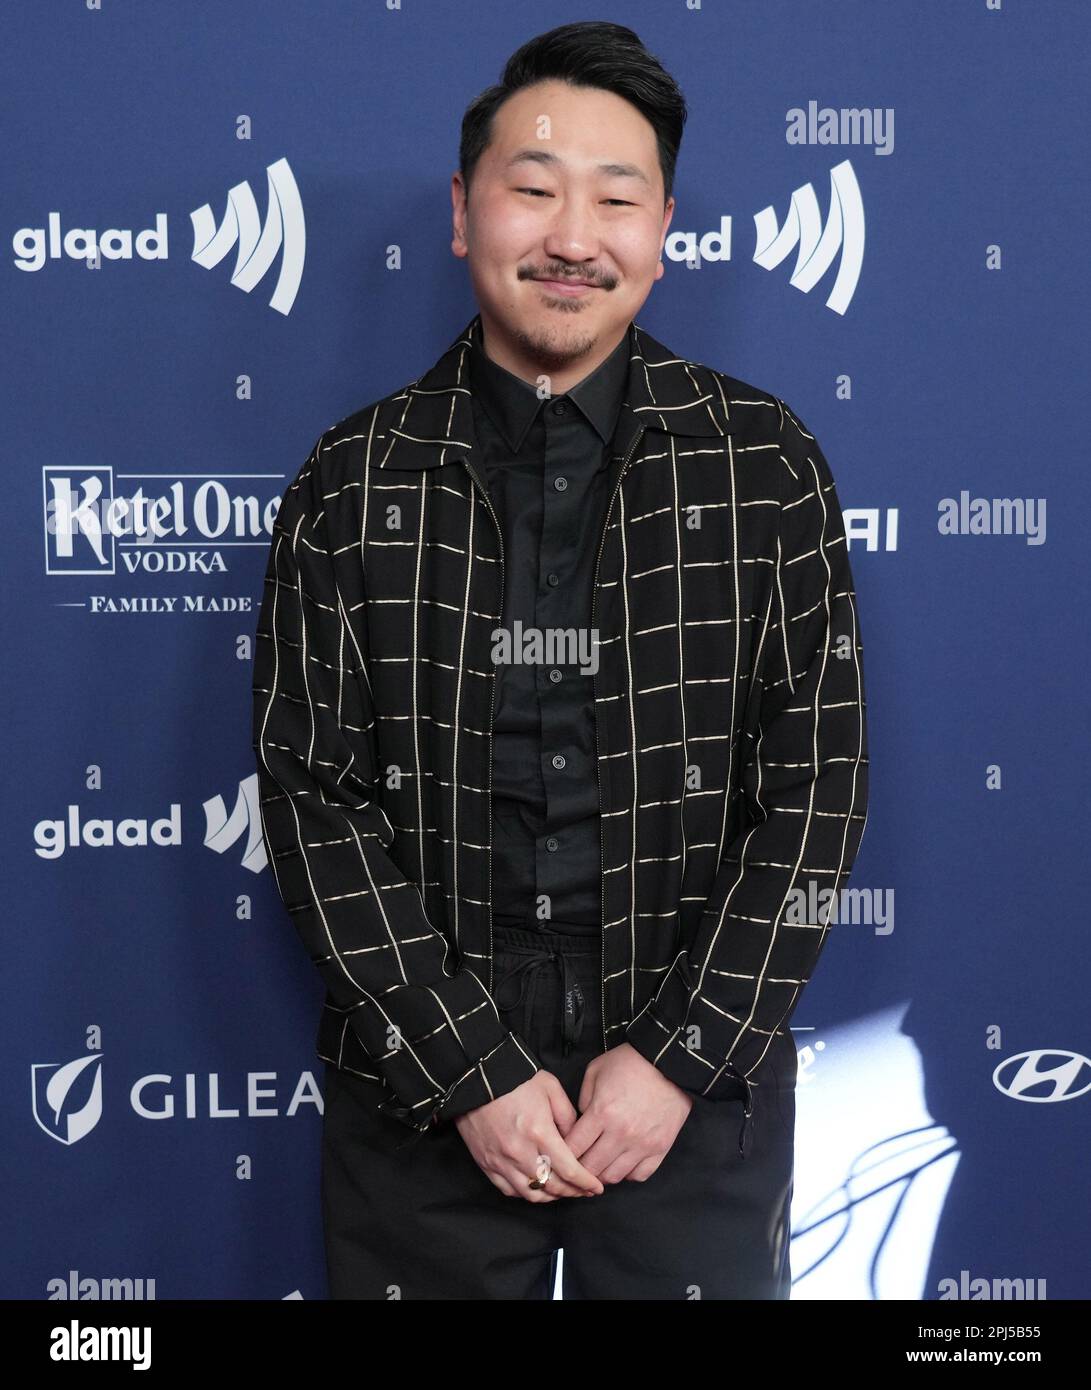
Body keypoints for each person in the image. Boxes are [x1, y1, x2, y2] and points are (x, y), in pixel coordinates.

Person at [252, 19, 869, 1300]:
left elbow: (816, 794)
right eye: (532, 190)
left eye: (614, 198)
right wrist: (463, 1061)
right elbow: (313, 797)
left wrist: (682, 1056)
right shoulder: (350, 478)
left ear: (663, 231)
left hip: (688, 1050)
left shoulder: (761, 465)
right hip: (420, 1062)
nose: (572, 237)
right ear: (466, 212)